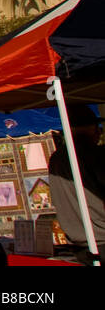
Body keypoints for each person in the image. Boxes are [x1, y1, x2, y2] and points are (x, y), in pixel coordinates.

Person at [47, 103, 105, 260]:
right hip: (101, 239)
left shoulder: (57, 158)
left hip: (77, 242)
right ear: (93, 129)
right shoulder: (94, 155)